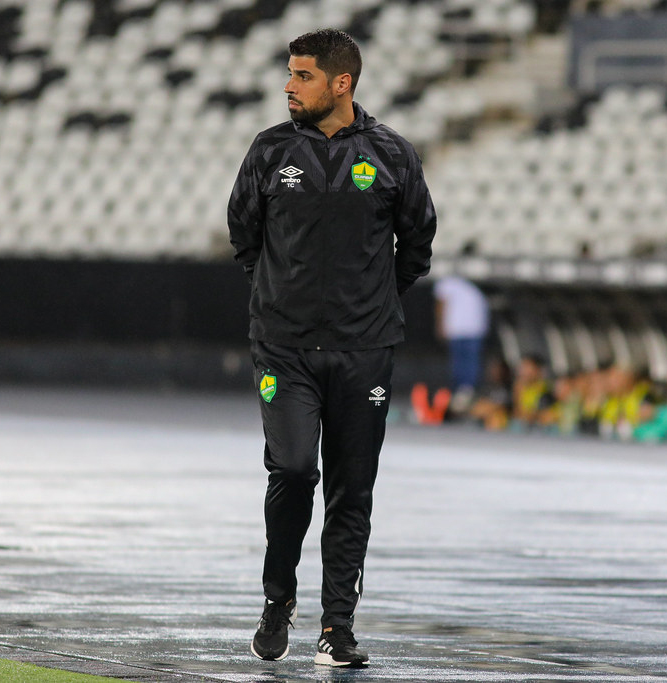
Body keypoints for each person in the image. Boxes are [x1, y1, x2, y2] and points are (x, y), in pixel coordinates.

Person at [227, 29, 436, 668]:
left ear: (340, 83)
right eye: (289, 74)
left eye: (303, 75)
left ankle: (337, 627)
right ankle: (278, 598)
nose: (289, 85)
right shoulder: (269, 151)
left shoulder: (392, 154)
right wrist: (284, 299)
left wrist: (367, 309)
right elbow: (244, 237)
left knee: (352, 489)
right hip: (283, 350)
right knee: (291, 471)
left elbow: (417, 246)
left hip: (364, 351)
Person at [433, 275, 489, 412]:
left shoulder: (447, 282)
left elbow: (441, 304)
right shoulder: (464, 285)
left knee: (463, 363)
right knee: (467, 362)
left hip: (461, 329)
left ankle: (464, 394)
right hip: (470, 328)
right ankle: (464, 393)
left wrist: (440, 325)